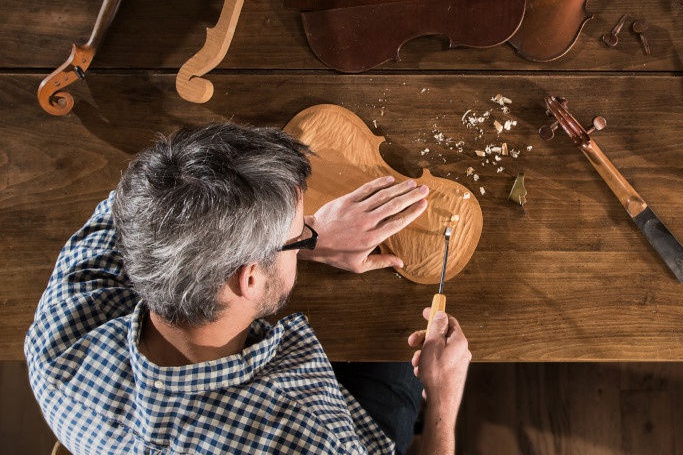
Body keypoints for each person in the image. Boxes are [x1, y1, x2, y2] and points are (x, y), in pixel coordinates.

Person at [24, 123, 471, 454]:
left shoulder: (61, 342)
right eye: (299, 236)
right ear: (249, 277)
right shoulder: (310, 438)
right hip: (353, 428)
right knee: (394, 361)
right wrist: (444, 398)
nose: (306, 235)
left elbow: (135, 198)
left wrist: (307, 235)